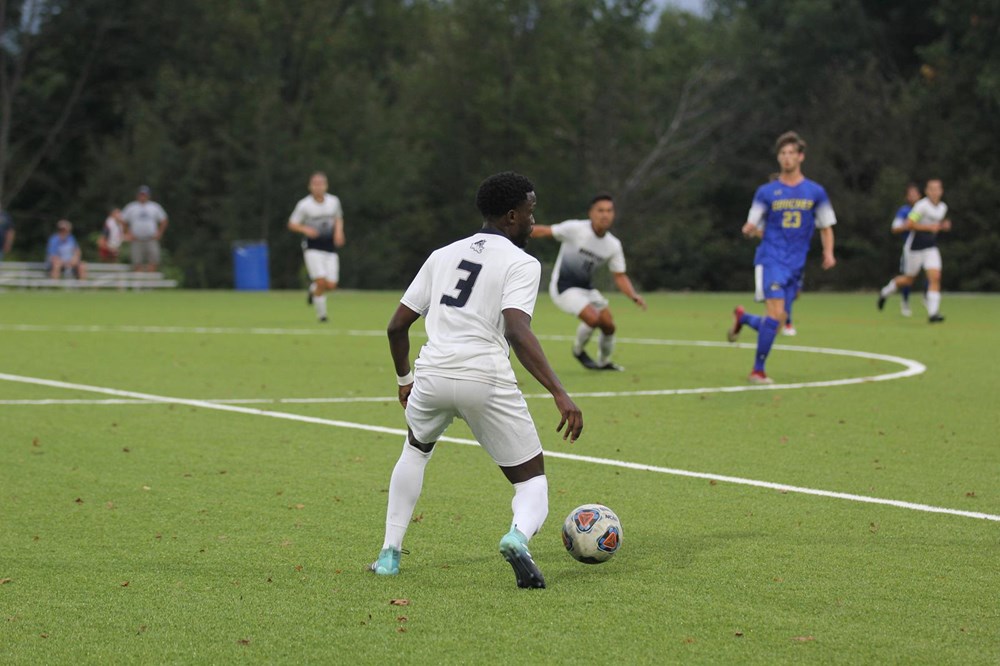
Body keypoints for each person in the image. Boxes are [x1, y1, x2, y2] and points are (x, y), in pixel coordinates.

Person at [371, 171, 583, 589]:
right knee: (531, 481)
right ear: (510, 216)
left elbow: (397, 326)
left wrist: (404, 379)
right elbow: (517, 331)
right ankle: (517, 537)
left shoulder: (442, 254)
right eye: (529, 211)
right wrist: (560, 392)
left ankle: (388, 554)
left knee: (415, 450)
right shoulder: (522, 262)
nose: (533, 221)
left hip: (431, 375)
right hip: (484, 377)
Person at [727, 131, 837, 384]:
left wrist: (828, 252)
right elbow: (753, 219)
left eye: (791, 153)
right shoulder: (767, 192)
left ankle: (743, 318)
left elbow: (826, 226)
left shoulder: (815, 192)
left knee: (778, 322)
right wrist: (749, 227)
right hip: (772, 258)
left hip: (796, 263)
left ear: (801, 157)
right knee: (776, 315)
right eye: (782, 154)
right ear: (778, 158)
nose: (787, 158)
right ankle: (757, 370)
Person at [529, 194, 646, 371]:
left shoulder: (613, 244)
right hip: (563, 287)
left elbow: (620, 276)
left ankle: (604, 362)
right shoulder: (575, 229)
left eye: (609, 211)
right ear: (591, 213)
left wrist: (633, 295)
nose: (605, 215)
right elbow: (545, 231)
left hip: (586, 288)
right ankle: (578, 351)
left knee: (609, 326)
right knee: (593, 318)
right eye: (600, 210)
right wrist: (513, 232)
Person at [877, 179, 950, 323]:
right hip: (914, 248)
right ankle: (886, 291)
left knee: (935, 277)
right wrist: (929, 228)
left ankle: (933, 313)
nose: (935, 192)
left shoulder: (942, 207)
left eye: (937, 189)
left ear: (941, 191)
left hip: (931, 247)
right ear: (927, 191)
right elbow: (910, 224)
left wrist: (943, 226)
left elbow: (935, 225)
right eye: (932, 189)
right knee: (908, 280)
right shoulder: (921, 207)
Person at [287, 172, 345, 322]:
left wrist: (339, 232)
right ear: (310, 186)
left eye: (321, 184)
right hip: (312, 248)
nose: (318, 187)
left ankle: (312, 291)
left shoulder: (333, 201)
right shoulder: (304, 205)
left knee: (331, 285)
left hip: (330, 247)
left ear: (326, 185)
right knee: (321, 281)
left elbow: (338, 218)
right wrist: (305, 229)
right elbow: (292, 223)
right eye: (315, 184)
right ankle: (322, 316)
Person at [121, 185, 168, 272]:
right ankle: (139, 284)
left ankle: (150, 284)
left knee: (153, 261)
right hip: (136, 239)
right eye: (141, 194)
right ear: (137, 195)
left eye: (144, 195)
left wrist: (159, 233)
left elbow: (164, 220)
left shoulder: (154, 206)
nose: (143, 196)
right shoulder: (131, 207)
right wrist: (128, 233)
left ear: (148, 195)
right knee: (136, 262)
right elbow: (123, 220)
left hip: (151, 238)